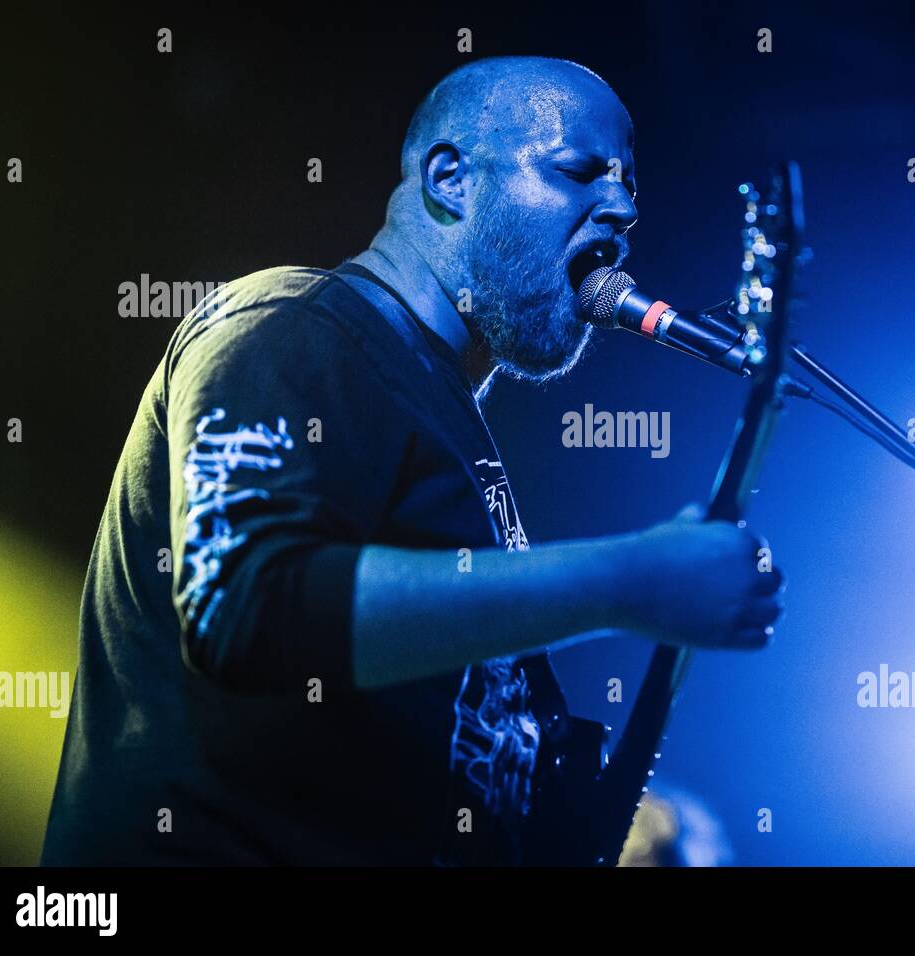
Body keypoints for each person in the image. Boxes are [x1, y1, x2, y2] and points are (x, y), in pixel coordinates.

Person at [41, 55, 783, 866]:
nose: (622, 206)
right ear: (451, 178)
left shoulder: (453, 434)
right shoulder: (298, 323)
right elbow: (252, 607)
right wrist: (630, 580)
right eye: (581, 171)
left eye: (629, 184)